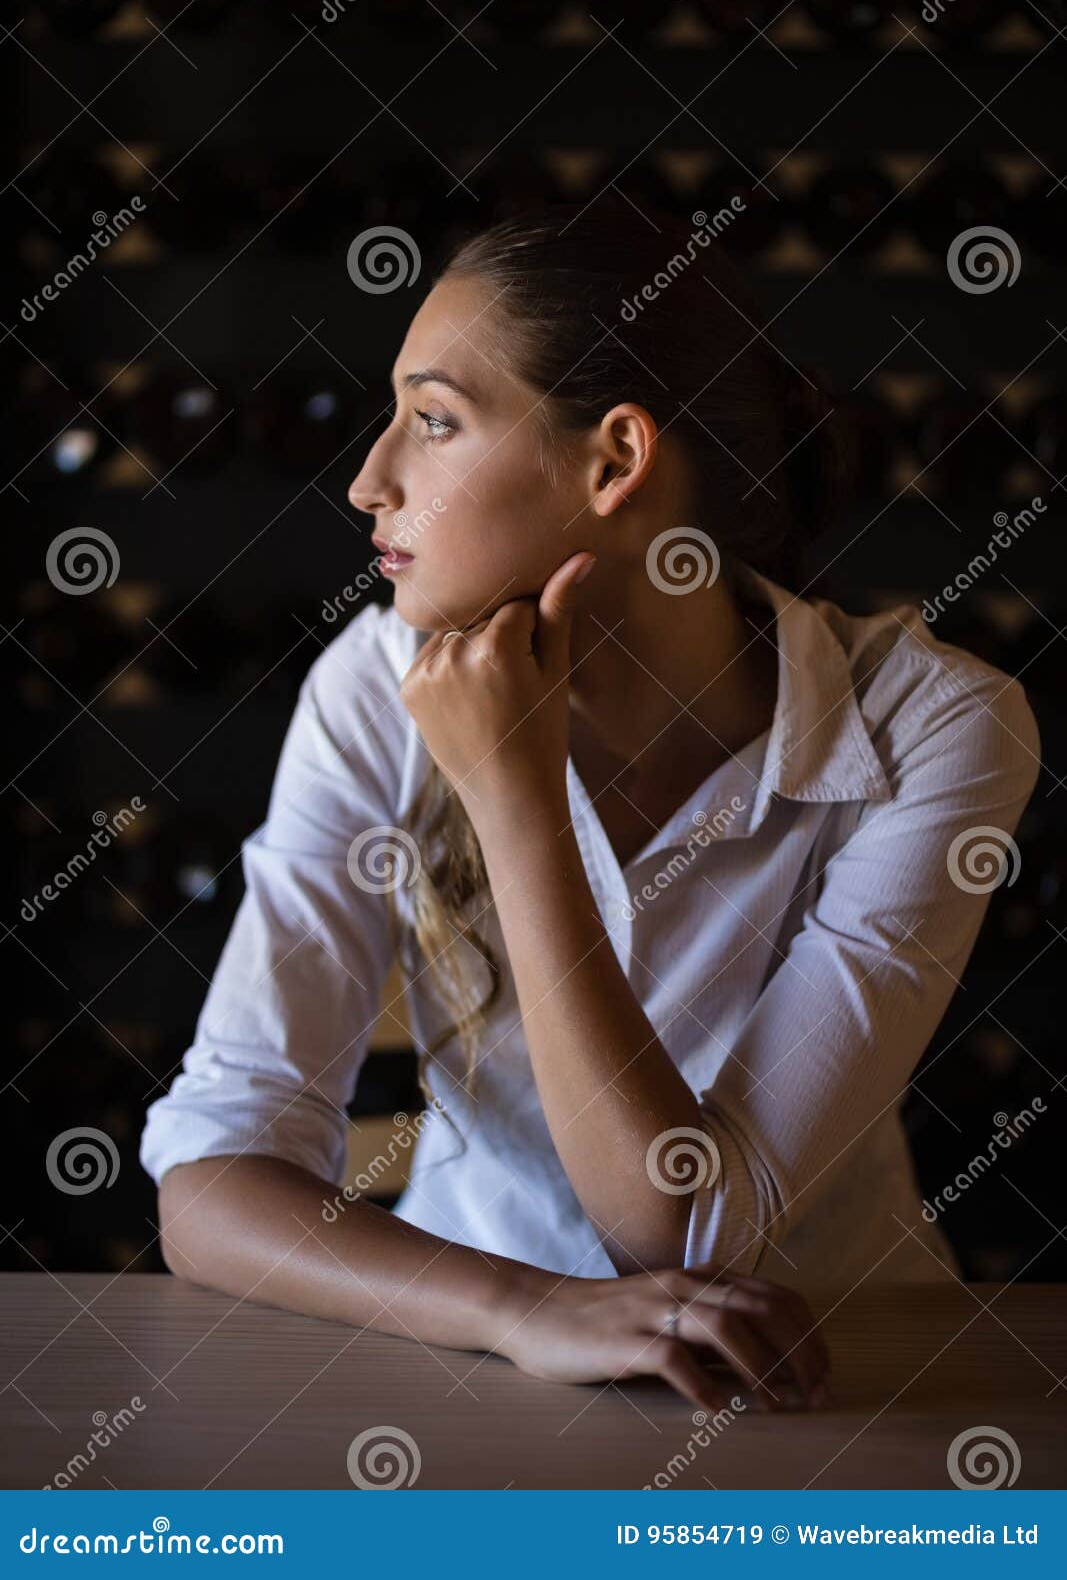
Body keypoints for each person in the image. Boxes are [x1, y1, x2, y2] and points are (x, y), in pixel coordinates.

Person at [142, 199, 1039, 1416]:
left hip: (832, 1386)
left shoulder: (937, 726)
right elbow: (211, 1177)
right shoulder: (370, 685)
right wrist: (523, 1308)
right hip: (450, 1371)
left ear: (613, 461)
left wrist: (515, 800)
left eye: (434, 421)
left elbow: (687, 1227)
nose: (369, 480)